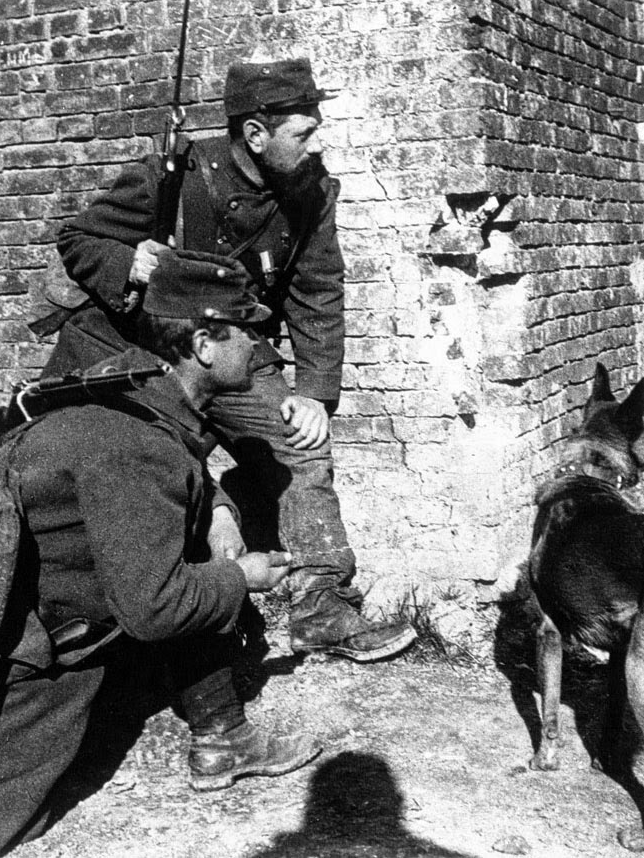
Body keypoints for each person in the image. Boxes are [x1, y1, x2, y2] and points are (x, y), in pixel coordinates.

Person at [0, 252, 321, 858]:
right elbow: (153, 607)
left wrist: (218, 508)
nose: (260, 345)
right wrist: (240, 577)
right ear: (202, 345)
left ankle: (218, 734)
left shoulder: (133, 380)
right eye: (247, 332)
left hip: (19, 598)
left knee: (96, 722)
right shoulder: (132, 445)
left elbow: (171, 466)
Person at [38, 56, 415, 662]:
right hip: (139, 346)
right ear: (256, 135)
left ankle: (320, 603)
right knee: (128, 465)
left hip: (233, 348)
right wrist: (125, 264)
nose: (317, 144)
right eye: (304, 132)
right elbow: (79, 238)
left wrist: (316, 392)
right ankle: (161, 615)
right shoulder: (172, 176)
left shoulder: (310, 192)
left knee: (299, 441)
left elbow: (316, 290)